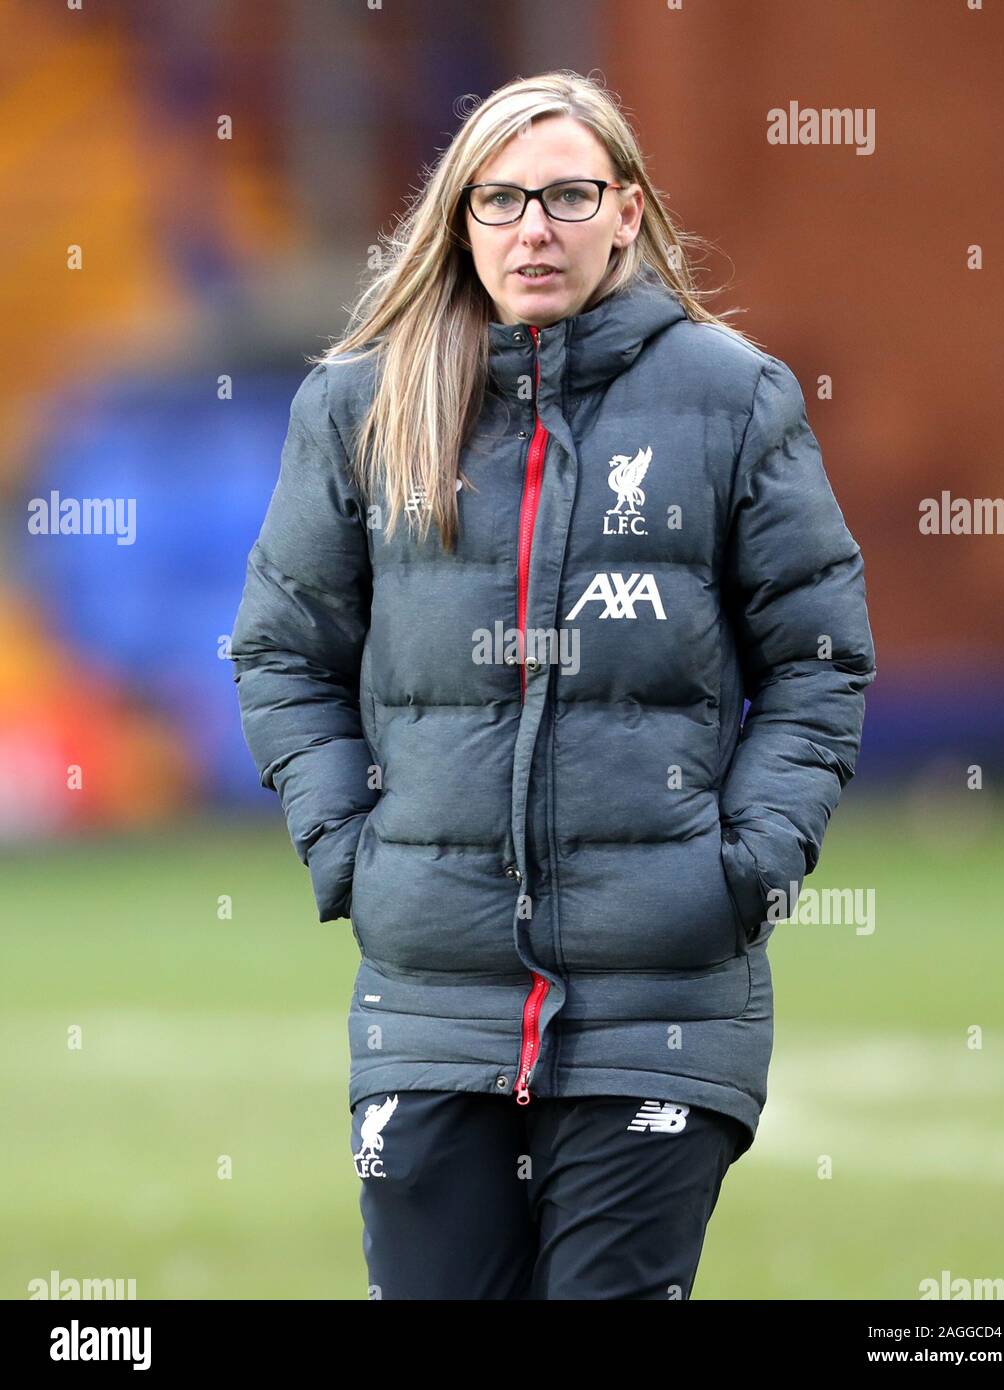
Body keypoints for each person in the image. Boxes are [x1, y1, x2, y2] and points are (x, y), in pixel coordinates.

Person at [229, 70, 876, 1301]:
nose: (534, 226)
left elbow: (817, 654)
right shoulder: (361, 404)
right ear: (460, 219)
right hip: (428, 996)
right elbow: (281, 648)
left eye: (568, 195)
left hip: (667, 992)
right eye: (502, 199)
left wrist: (746, 861)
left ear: (626, 212)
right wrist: (350, 848)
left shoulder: (733, 397)